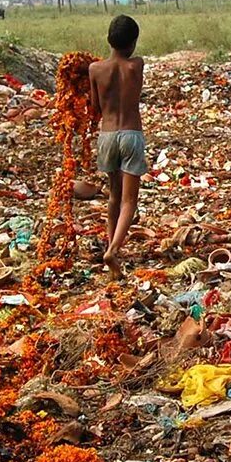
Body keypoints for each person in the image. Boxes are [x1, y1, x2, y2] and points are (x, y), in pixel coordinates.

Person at [88, 14, 147, 274]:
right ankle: (113, 251)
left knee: (113, 195)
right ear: (133, 43)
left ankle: (111, 249)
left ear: (108, 39)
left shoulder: (95, 69)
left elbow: (94, 107)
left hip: (107, 135)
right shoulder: (137, 65)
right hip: (131, 134)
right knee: (129, 201)